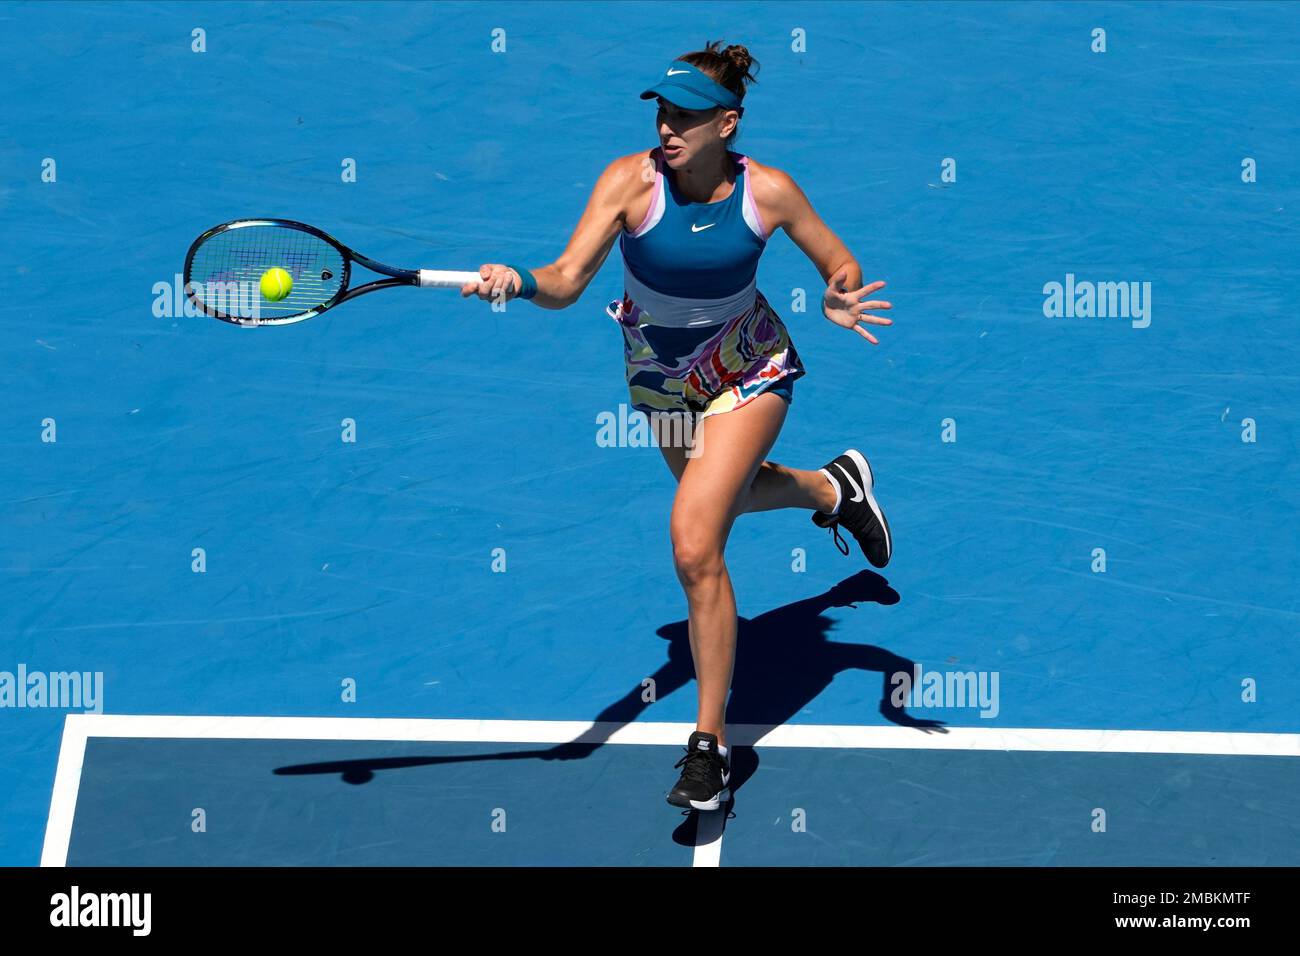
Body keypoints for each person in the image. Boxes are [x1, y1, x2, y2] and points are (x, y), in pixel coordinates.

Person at [462, 40, 894, 812]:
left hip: (747, 365)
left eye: (688, 116)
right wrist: (518, 281)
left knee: (697, 543)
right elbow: (564, 282)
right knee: (722, 499)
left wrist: (837, 297)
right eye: (663, 111)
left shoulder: (770, 191)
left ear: (726, 123)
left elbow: (839, 262)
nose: (669, 128)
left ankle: (709, 748)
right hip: (660, 376)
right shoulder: (629, 183)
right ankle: (832, 487)